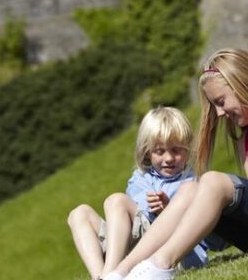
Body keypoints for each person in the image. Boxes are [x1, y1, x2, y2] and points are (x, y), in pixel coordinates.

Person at [103, 49, 248, 280]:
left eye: (220, 101)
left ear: (242, 85)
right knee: (190, 189)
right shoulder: (244, 137)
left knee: (213, 182)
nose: (218, 113)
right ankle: (120, 272)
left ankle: (160, 266)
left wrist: (222, 194)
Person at [67, 107, 215, 280]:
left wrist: (169, 211)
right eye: (160, 151)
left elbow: (201, 247)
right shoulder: (140, 179)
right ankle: (100, 276)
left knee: (117, 201)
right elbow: (138, 212)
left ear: (188, 149)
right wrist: (155, 209)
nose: (168, 158)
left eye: (176, 150)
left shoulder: (194, 186)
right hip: (132, 249)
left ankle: (111, 275)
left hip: (170, 252)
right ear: (147, 152)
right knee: (79, 214)